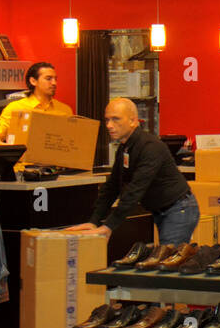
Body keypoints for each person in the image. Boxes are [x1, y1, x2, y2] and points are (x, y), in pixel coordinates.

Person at [66, 98, 199, 243]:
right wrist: (94, 221)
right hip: (162, 209)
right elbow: (112, 187)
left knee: (167, 259)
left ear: (133, 121)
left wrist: (109, 226)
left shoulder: (150, 147)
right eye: (107, 120)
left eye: (116, 119)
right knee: (166, 257)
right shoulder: (125, 147)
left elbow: (135, 190)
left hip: (179, 209)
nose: (109, 125)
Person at [0, 61, 72, 145]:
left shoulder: (65, 110)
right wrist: (11, 149)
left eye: (55, 79)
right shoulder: (15, 108)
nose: (54, 83)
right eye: (48, 79)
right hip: (25, 159)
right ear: (33, 81)